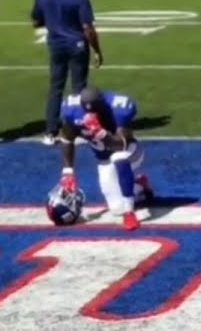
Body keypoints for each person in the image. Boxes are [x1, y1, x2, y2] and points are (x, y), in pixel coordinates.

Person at [57, 86, 153, 231]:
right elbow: (67, 138)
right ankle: (138, 185)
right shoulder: (73, 110)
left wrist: (101, 133)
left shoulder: (118, 109)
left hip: (131, 153)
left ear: (102, 105)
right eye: (87, 111)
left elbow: (121, 145)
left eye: (95, 111)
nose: (91, 115)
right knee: (116, 208)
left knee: (118, 157)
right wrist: (67, 172)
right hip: (104, 160)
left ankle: (129, 212)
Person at [32, 0, 103, 146]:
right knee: (79, 88)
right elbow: (87, 26)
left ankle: (50, 131)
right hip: (76, 44)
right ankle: (78, 130)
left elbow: (36, 21)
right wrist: (97, 50)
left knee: (55, 87)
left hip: (55, 43)